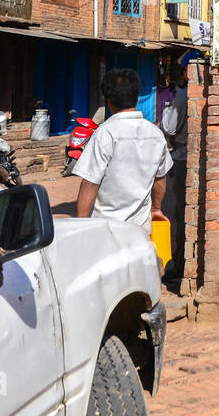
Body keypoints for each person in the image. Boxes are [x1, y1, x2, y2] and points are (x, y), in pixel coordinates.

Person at [75, 68, 171, 234]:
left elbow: (90, 183)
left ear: (109, 101)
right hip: (140, 230)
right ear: (137, 97)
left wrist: (81, 224)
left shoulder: (105, 133)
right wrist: (156, 208)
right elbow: (160, 178)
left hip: (107, 230)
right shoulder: (155, 133)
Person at [159, 62, 189, 278]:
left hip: (182, 156)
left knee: (181, 213)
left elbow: (169, 127)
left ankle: (179, 265)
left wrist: (168, 109)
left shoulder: (183, 96)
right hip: (186, 154)